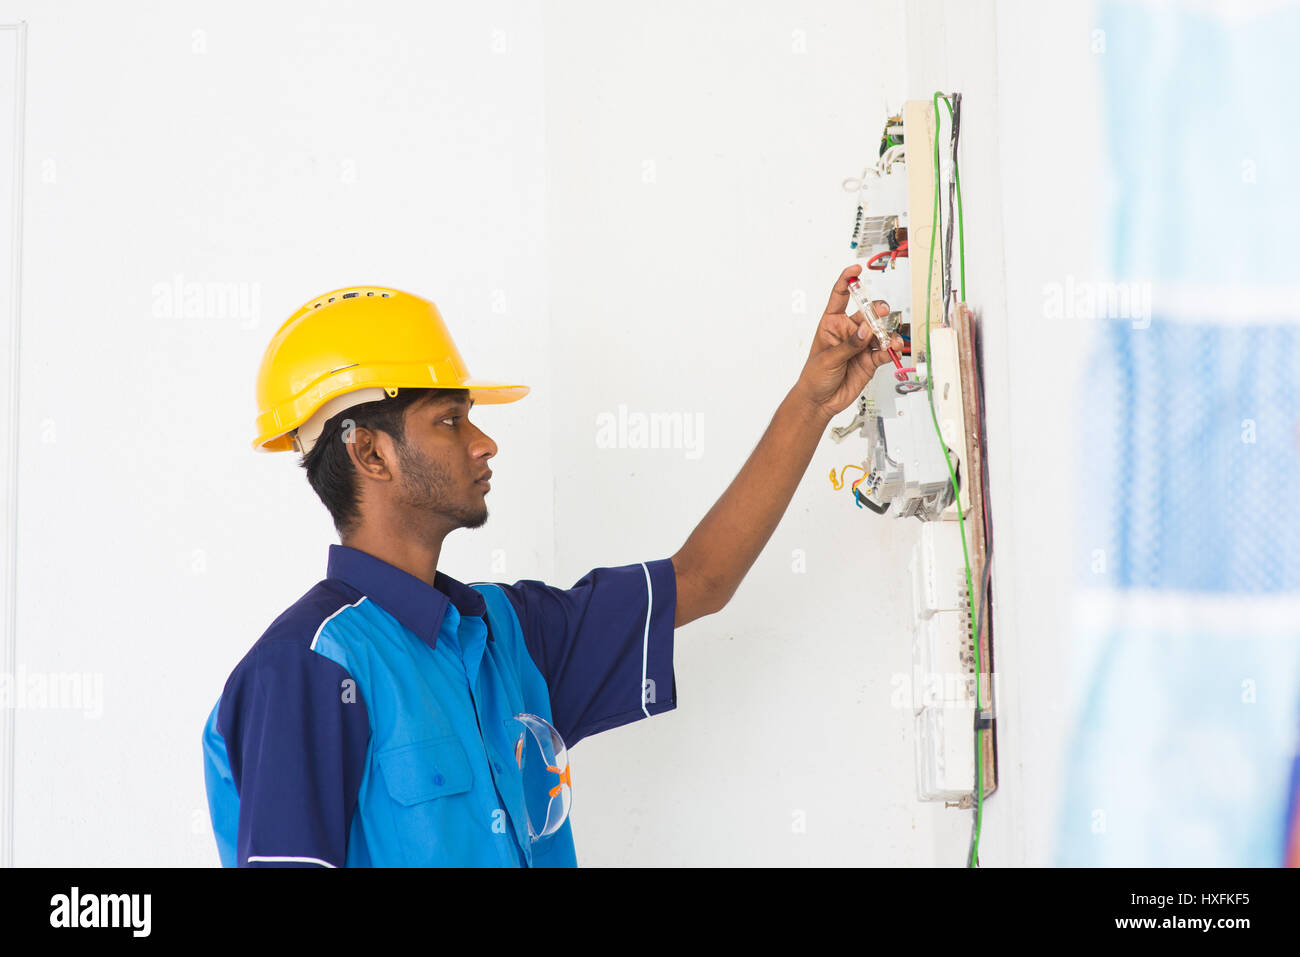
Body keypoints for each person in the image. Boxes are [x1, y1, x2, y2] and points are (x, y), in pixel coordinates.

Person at [201, 267, 900, 867]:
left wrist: (813, 401)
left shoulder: (510, 632)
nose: (485, 443)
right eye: (450, 420)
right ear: (370, 454)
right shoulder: (308, 668)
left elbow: (703, 578)